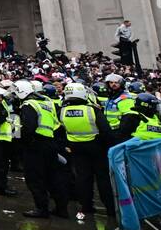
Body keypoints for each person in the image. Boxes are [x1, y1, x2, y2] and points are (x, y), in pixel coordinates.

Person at [58, 81, 114, 217]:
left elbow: (61, 130)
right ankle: (110, 207)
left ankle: (86, 205)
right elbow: (106, 130)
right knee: (102, 178)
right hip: (96, 146)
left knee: (82, 178)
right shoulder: (92, 109)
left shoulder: (62, 111)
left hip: (76, 147)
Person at [16, 80, 69, 219]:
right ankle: (61, 208)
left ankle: (41, 208)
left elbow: (28, 127)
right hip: (50, 142)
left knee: (35, 179)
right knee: (53, 177)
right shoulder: (46, 102)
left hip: (36, 145)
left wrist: (24, 142)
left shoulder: (28, 105)